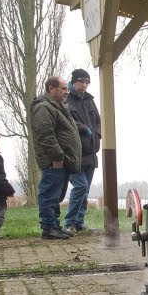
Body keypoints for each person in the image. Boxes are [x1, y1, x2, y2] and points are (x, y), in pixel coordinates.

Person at [30, 75, 81, 240]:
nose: (67, 92)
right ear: (51, 88)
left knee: (56, 195)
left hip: (62, 160)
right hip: (54, 161)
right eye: (64, 88)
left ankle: (54, 226)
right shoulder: (44, 107)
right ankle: (48, 227)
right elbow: (45, 135)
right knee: (49, 194)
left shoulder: (58, 107)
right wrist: (57, 156)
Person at [64, 68, 101, 235]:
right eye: (81, 81)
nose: (84, 85)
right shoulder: (66, 100)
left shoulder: (89, 100)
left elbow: (98, 121)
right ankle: (69, 223)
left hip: (90, 152)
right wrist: (83, 128)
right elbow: (66, 121)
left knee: (85, 190)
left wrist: (97, 135)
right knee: (80, 186)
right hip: (73, 152)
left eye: (87, 82)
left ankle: (79, 222)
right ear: (73, 81)